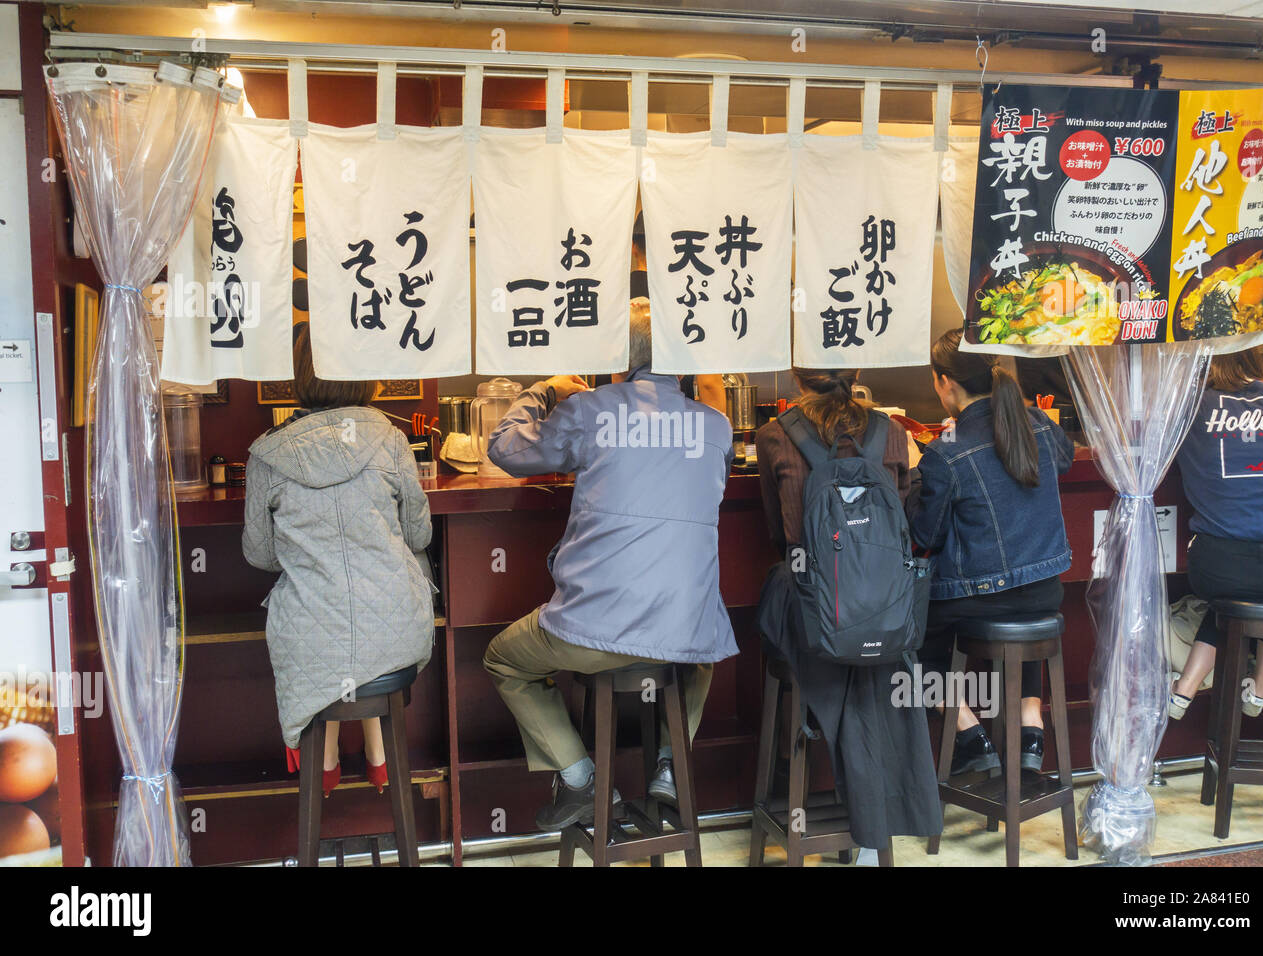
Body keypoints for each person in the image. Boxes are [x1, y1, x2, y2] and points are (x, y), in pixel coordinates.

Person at [481, 301, 737, 831]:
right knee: (702, 646)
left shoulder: (593, 409)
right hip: (682, 625)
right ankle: (668, 768)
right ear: (685, 359)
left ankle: (581, 781)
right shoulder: (717, 428)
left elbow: (504, 448)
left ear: (617, 358)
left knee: (504, 659)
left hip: (593, 629)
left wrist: (546, 389)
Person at [242, 327, 435, 796]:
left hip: (311, 636)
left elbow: (260, 555)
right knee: (371, 624)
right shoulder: (389, 439)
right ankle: (379, 754)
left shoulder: (267, 453)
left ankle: (324, 763)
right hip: (395, 630)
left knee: (325, 633)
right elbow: (418, 534)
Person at [755, 367, 941, 850]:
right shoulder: (892, 433)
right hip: (887, 618)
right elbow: (906, 523)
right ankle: (874, 825)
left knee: (798, 617)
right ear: (855, 371)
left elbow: (780, 537)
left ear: (797, 375)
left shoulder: (773, 435)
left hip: (815, 620)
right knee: (874, 661)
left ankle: (802, 776)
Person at [908, 330, 1074, 776]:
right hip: (1045, 593)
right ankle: (1030, 728)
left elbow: (926, 536)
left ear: (945, 382)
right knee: (1022, 630)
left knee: (907, 637)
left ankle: (968, 732)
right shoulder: (1039, 423)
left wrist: (913, 472)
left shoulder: (946, 452)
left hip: (979, 596)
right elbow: (1063, 460)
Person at [1169, 347, 1263, 720]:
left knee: (1235, 593)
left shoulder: (1190, 406)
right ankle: (1259, 689)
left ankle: (1183, 691)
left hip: (1218, 568)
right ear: (1255, 356)